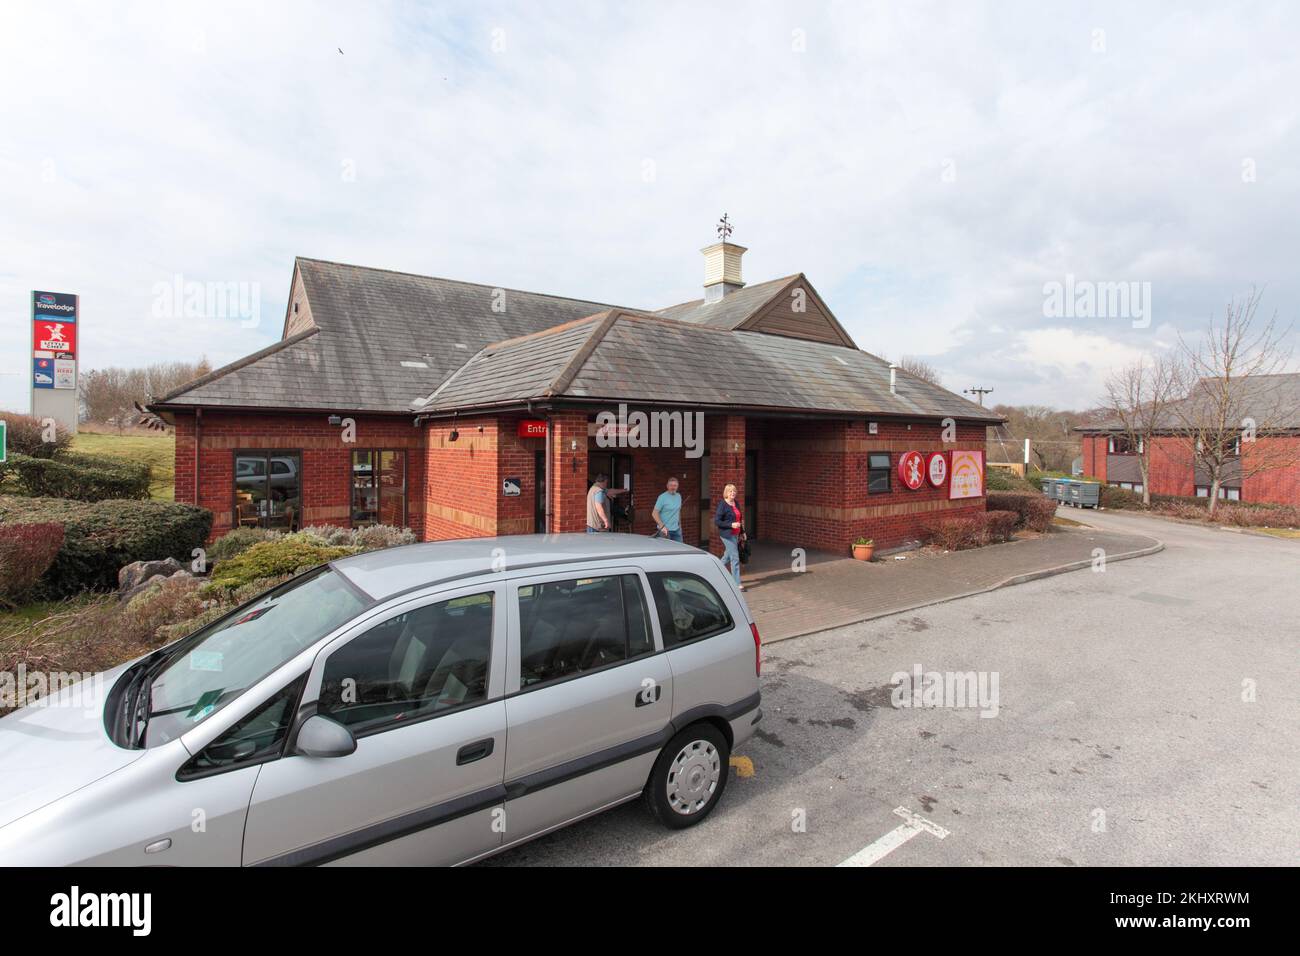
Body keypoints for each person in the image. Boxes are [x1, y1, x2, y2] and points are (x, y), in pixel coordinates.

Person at [713, 482, 745, 590]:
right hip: (726, 534)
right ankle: (736, 583)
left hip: (736, 534)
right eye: (730, 491)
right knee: (734, 557)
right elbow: (717, 521)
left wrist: (743, 532)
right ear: (726, 493)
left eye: (734, 491)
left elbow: (740, 519)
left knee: (727, 556)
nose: (733, 493)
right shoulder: (723, 504)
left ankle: (714, 570)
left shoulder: (736, 503)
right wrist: (731, 525)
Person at [651, 476, 684, 542]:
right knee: (666, 550)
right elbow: (654, 513)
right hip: (665, 531)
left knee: (679, 549)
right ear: (667, 486)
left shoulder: (679, 496)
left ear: (677, 486)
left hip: (677, 530)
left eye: (675, 485)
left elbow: (678, 511)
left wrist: (680, 526)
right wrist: (662, 526)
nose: (673, 487)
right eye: (671, 485)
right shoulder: (662, 497)